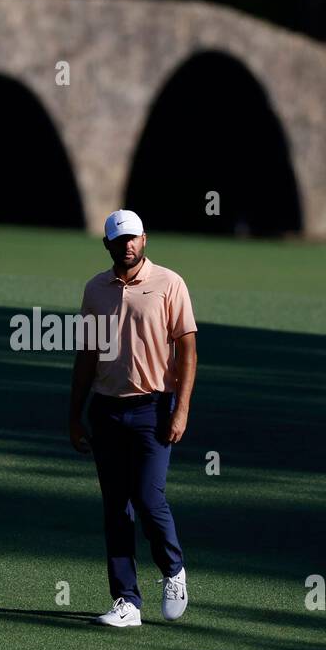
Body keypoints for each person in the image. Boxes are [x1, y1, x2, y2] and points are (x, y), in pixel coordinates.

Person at [68, 209, 198, 628]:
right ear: (107, 245)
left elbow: (188, 350)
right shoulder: (95, 289)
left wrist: (181, 409)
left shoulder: (169, 283)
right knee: (115, 508)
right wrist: (75, 413)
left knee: (148, 498)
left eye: (134, 238)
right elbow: (87, 355)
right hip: (106, 408)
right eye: (119, 239)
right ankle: (127, 601)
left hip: (152, 408)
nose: (127, 244)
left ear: (145, 240)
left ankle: (172, 569)